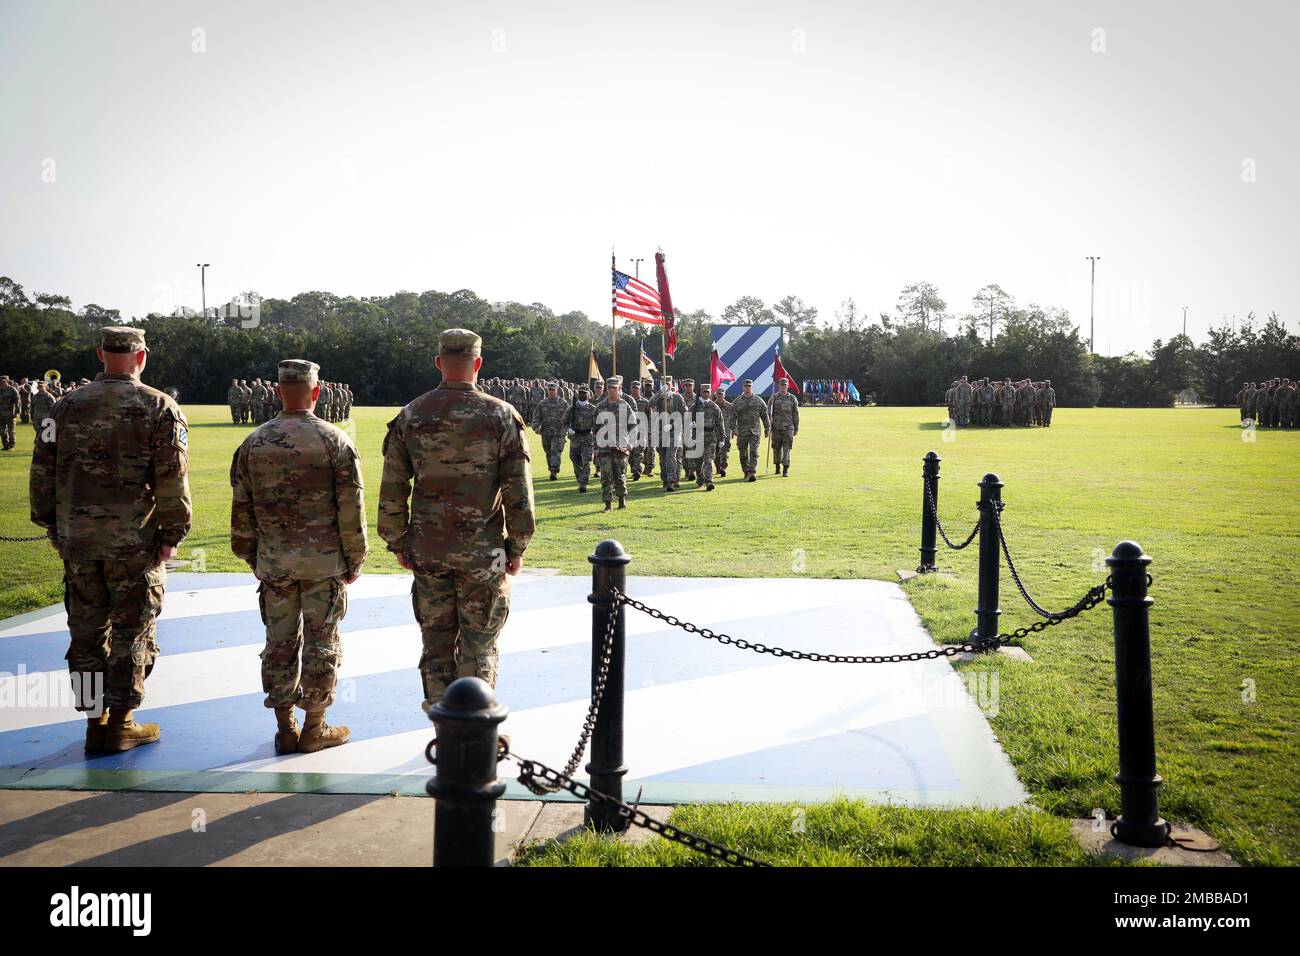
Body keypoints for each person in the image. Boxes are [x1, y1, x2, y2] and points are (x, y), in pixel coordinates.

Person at [29, 326, 192, 753]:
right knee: (132, 631)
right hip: (134, 542)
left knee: (85, 632)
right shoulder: (158, 406)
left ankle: (94, 721)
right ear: (142, 357)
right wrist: (172, 533)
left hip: (78, 541)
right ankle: (122, 723)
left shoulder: (63, 407)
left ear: (101, 354)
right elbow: (172, 479)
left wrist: (51, 525)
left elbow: (42, 471)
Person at [379, 329, 535, 714]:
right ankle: (476, 729)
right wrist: (515, 548)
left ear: (438, 363)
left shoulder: (412, 415)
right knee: (479, 643)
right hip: (485, 554)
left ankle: (441, 726)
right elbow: (519, 494)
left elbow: (392, 492)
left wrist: (399, 543)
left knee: (436, 641)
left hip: (429, 551)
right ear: (478, 363)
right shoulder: (501, 415)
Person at [231, 359, 368, 754]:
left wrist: (252, 556)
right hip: (323, 565)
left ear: (277, 392)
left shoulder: (255, 442)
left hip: (274, 563)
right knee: (322, 643)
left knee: (279, 643)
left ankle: (285, 726)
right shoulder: (334, 440)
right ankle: (315, 727)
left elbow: (242, 510)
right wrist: (354, 559)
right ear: (317, 391)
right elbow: (351, 510)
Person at [649, 374, 687, 492]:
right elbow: (650, 404)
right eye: (664, 384)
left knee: (670, 456)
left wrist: (672, 425)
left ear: (672, 385)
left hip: (674, 432)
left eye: (668, 384)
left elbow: (684, 414)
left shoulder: (677, 398)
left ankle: (671, 481)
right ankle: (665, 480)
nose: (666, 386)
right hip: (660, 432)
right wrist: (659, 394)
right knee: (662, 458)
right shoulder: (659, 397)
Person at [732, 379, 770, 482]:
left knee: (754, 452)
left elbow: (764, 416)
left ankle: (752, 472)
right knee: (743, 454)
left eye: (749, 386)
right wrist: (733, 429)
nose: (747, 388)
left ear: (752, 387)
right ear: (743, 387)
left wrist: (767, 428)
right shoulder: (737, 401)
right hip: (742, 432)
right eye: (746, 386)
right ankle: (745, 471)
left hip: (755, 431)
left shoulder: (758, 401)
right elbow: (732, 418)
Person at [530, 382, 569, 480]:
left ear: (556, 391)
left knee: (555, 452)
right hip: (546, 432)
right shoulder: (542, 404)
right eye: (550, 390)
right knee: (548, 452)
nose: (551, 392)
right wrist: (536, 426)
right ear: (548, 391)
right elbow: (536, 417)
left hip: (559, 433)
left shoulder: (563, 403)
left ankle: (554, 471)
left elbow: (569, 416)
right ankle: (551, 468)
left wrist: (569, 428)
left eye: (553, 390)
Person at [565, 386, 597, 491]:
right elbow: (564, 421)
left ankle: (583, 483)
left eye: (584, 393)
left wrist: (594, 430)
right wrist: (568, 429)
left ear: (589, 395)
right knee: (575, 459)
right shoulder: (572, 408)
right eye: (580, 393)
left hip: (588, 438)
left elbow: (598, 423)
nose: (582, 395)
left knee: (586, 461)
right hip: (575, 438)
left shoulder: (593, 409)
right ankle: (580, 479)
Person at [768, 377, 800, 477]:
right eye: (781, 385)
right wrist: (769, 421)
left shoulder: (792, 398)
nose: (783, 387)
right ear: (779, 386)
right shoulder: (774, 397)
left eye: (785, 385)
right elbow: (768, 411)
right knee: (776, 448)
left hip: (788, 427)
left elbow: (796, 413)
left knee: (787, 448)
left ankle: (785, 469)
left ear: (787, 386)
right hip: (776, 427)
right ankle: (777, 466)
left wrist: (796, 427)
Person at [0, 375, 19, 450]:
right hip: (1, 414)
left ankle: (12, 446)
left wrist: (16, 412)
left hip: (10, 413)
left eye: (3, 381)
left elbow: (18, 401)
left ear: (7, 381)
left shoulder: (12, 389)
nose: (2, 382)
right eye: (1, 381)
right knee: (2, 431)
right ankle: (5, 445)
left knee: (11, 431)